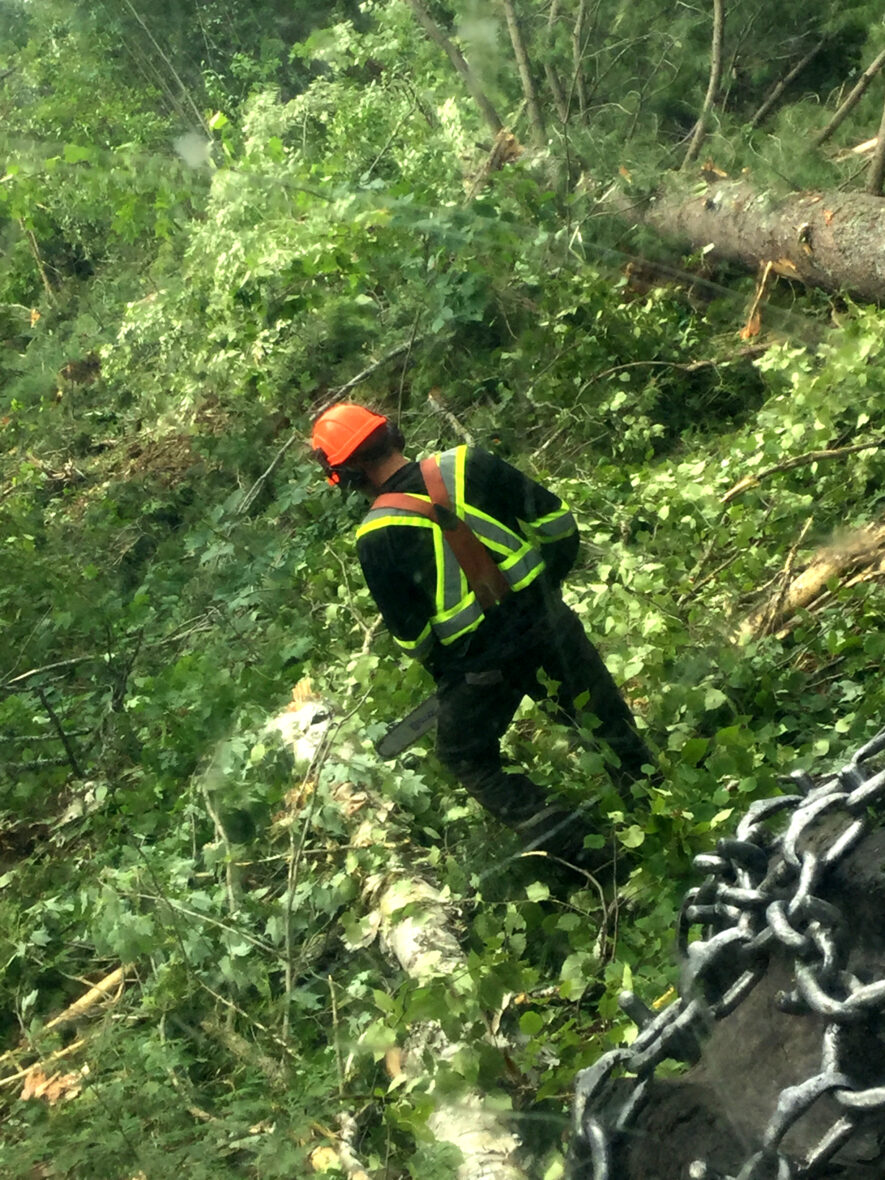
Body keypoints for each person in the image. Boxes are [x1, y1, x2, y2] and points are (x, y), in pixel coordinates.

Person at [310, 402, 655, 875]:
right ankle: (658, 816)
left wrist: (455, 671)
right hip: (549, 625)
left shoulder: (376, 538)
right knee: (606, 724)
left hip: (482, 666)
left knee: (464, 753)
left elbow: (414, 638)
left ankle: (587, 852)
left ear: (347, 474)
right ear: (391, 433)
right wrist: (546, 592)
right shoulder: (470, 464)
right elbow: (558, 527)